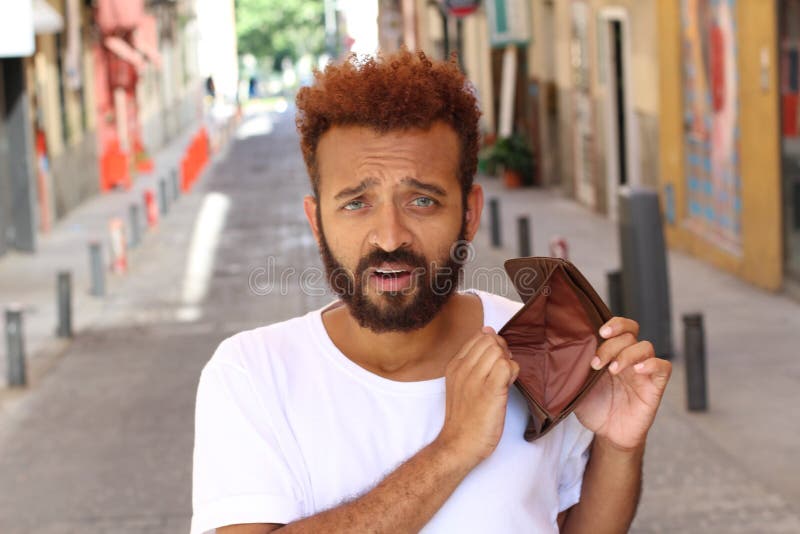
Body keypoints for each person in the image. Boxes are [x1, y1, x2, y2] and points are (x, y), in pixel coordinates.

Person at [191, 49, 672, 534]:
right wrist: (454, 448)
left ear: (470, 212)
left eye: (422, 200)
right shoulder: (252, 373)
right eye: (356, 203)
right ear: (316, 222)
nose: (390, 236)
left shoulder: (546, 347)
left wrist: (619, 446)